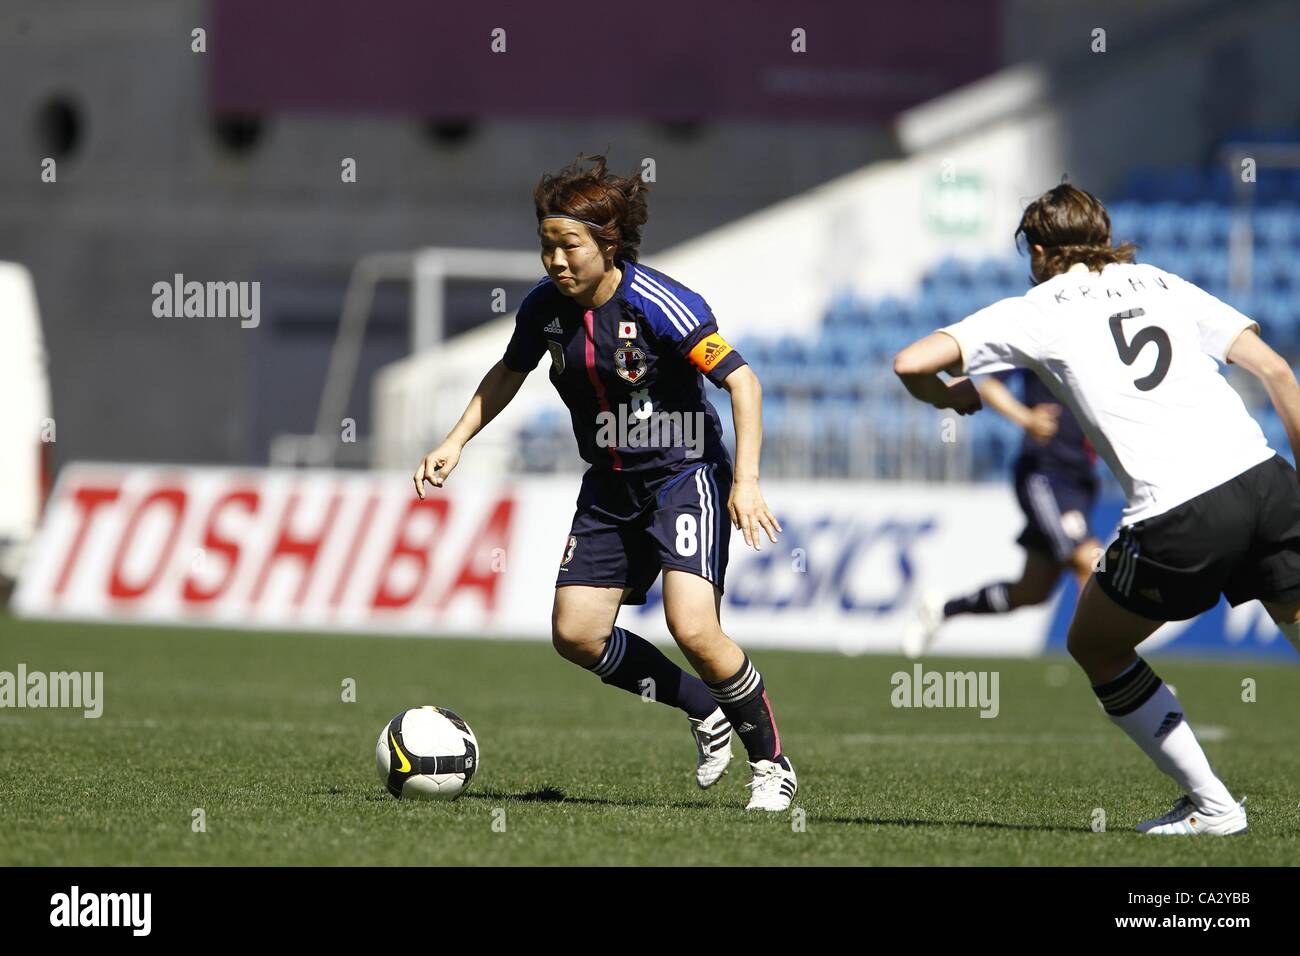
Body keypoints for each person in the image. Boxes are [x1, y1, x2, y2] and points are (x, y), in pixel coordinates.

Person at [893, 183, 1300, 834]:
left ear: (1038, 250)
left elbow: (910, 361)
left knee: (1095, 645)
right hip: (1266, 479)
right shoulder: (1161, 282)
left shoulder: (1037, 308)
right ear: (1103, 236)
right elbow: (1277, 371)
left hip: (1180, 511)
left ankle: (1214, 808)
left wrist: (948, 399)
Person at [414, 155, 798, 810]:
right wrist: (455, 440)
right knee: (576, 633)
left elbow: (742, 380)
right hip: (611, 484)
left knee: (695, 628)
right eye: (547, 246)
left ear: (608, 243)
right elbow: (509, 372)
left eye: (569, 247)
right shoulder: (544, 310)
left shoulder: (658, 303)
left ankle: (772, 765)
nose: (556, 261)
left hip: (684, 474)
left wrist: (748, 481)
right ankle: (702, 709)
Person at [901, 366, 1102, 658]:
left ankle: (941, 609)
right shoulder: (1041, 334)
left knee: (1032, 591)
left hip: (1082, 480)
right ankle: (1113, 673)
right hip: (1045, 475)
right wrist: (1028, 419)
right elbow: (990, 387)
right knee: (1089, 560)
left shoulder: (1098, 340)